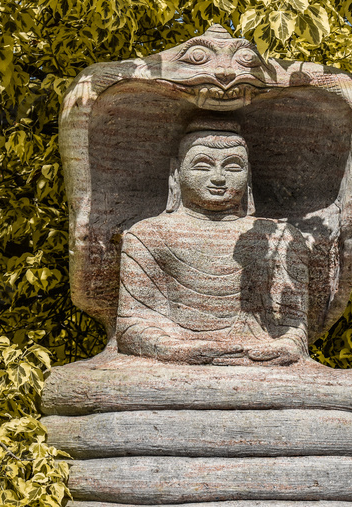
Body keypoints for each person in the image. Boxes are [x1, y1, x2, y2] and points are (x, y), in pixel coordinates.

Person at [115, 119, 310, 365]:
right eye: (202, 166)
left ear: (248, 174)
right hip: (176, 360)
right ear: (177, 171)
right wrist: (177, 350)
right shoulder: (149, 234)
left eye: (232, 167)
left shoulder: (278, 237)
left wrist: (285, 347)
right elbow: (131, 325)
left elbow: (294, 326)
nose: (218, 177)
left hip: (256, 359)